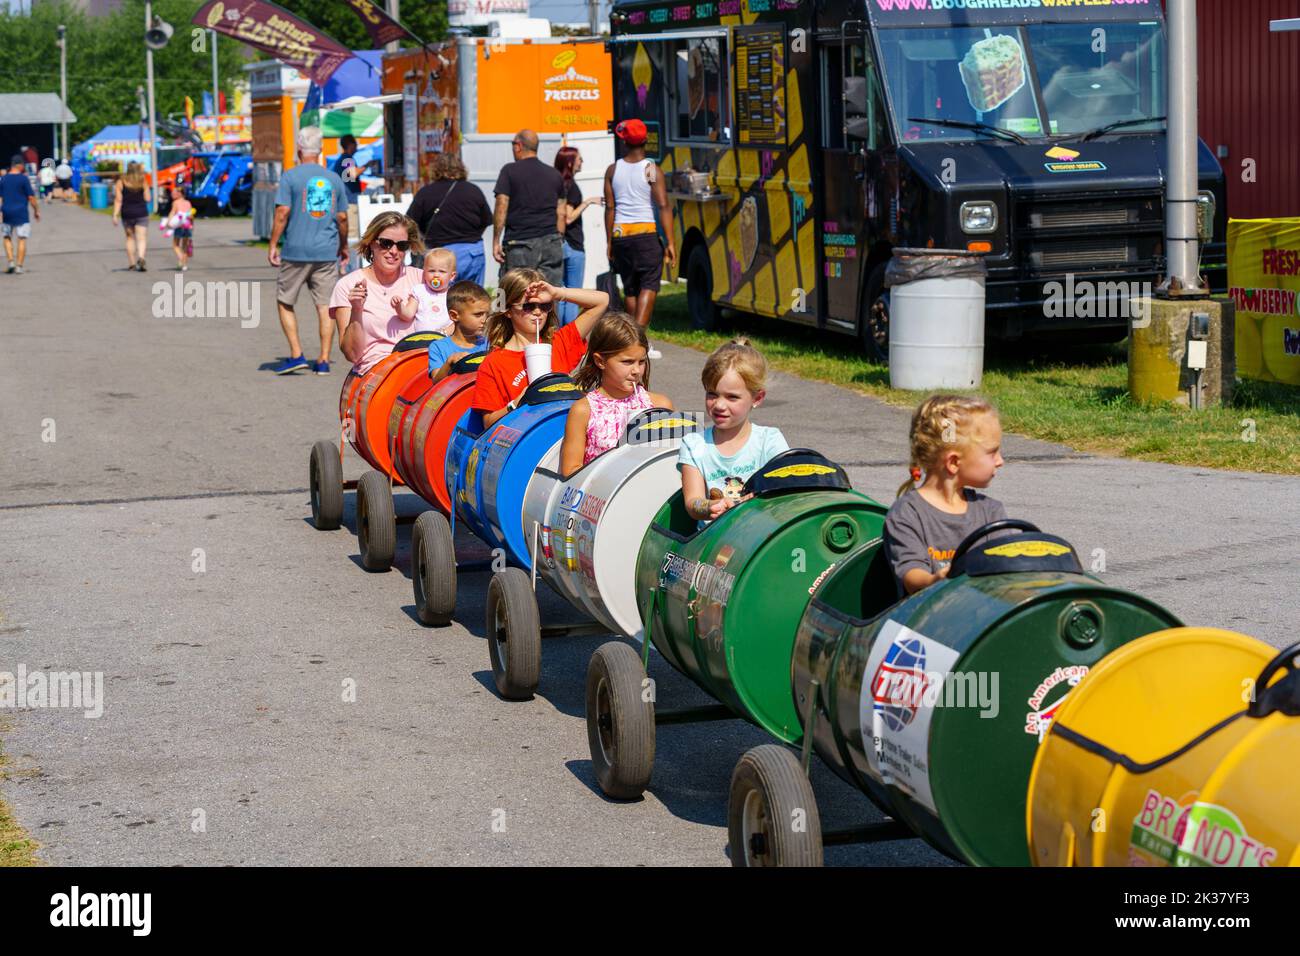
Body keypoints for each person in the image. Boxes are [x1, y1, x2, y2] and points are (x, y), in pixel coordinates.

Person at [884, 395, 1007, 597]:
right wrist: (936, 580)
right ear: (953, 463)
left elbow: (1009, 565)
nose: (1000, 461)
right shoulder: (907, 514)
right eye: (992, 452)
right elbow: (910, 575)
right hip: (927, 617)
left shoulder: (991, 511)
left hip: (982, 614)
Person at [469, 268, 609, 429]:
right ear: (508, 310)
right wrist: (515, 404)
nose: (538, 312)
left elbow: (602, 301)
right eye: (528, 306)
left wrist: (557, 293)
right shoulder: (494, 362)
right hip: (524, 438)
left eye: (545, 305)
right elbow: (488, 423)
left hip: (563, 431)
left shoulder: (558, 343)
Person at [678, 338, 788, 527]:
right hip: (712, 541)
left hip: (759, 538)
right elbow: (692, 502)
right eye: (712, 394)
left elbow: (784, 494)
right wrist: (710, 506)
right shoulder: (694, 444)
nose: (719, 405)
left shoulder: (769, 441)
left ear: (757, 398)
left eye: (732, 397)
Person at [268, 126, 350, 375]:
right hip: (326, 251)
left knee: (285, 301)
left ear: (299, 148)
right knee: (325, 306)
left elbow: (282, 213)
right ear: (321, 149)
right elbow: (343, 217)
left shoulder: (290, 177)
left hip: (295, 251)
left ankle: (296, 354)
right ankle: (323, 360)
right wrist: (343, 246)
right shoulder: (334, 179)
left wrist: (273, 244)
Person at [559, 312, 673, 477]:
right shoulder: (583, 410)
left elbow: (671, 461)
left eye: (641, 362)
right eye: (627, 362)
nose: (636, 371)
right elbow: (570, 471)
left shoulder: (660, 405)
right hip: (602, 498)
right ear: (600, 361)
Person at [604, 119, 675, 360]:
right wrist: (671, 242)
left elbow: (610, 209)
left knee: (632, 288)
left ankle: (632, 338)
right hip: (645, 234)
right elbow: (663, 205)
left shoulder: (613, 170)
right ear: (646, 141)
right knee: (649, 284)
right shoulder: (651, 169)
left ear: (624, 142)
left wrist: (610, 242)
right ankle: (635, 341)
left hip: (622, 236)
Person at [331, 211, 426, 377]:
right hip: (375, 376)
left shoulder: (421, 279)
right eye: (386, 243)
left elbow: (452, 318)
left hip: (420, 372)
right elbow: (352, 354)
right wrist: (356, 310)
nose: (394, 251)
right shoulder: (347, 286)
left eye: (402, 245)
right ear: (371, 243)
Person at [492, 129, 566, 286]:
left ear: (518, 146)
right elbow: (561, 212)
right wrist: (558, 238)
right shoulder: (554, 174)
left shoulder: (509, 171)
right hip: (551, 242)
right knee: (549, 294)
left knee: (514, 294)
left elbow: (501, 205)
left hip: (519, 243)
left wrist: (496, 240)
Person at [407, 152, 492, 286]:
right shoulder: (473, 190)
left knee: (441, 300)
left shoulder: (425, 193)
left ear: (435, 169)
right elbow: (486, 221)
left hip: (439, 256)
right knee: (473, 299)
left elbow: (410, 223)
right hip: (472, 252)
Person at [554, 146, 602, 325]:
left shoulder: (555, 184)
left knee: (561, 291)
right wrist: (588, 202)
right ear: (569, 162)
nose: (582, 162)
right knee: (573, 293)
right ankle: (570, 333)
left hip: (558, 244)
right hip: (572, 244)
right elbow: (568, 217)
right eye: (579, 159)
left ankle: (558, 332)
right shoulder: (571, 187)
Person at [427, 280, 491, 385]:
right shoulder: (438, 347)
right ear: (454, 316)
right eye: (478, 314)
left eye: (486, 314)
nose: (484, 320)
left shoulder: (489, 344)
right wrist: (449, 362)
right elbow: (436, 381)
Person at [1, 155, 39, 274]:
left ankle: (11, 262)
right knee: (21, 239)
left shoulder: (3, 179)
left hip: (6, 212)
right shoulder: (23, 179)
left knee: (7, 237)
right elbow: (31, 197)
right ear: (20, 165)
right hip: (21, 213)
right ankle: (19, 266)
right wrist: (36, 210)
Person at [112, 161, 151, 272]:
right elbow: (148, 198)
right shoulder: (142, 180)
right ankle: (141, 258)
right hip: (141, 212)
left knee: (130, 238)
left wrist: (115, 215)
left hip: (127, 213)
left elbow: (118, 200)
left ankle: (132, 264)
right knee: (141, 238)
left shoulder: (121, 182)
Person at [409, 247, 457, 334]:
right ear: (424, 272)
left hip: (444, 340)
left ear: (452, 276)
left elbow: (459, 321)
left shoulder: (454, 295)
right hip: (421, 341)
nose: (436, 275)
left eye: (442, 271)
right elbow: (408, 314)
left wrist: (446, 332)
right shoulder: (420, 290)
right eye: (431, 271)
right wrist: (399, 306)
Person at [162, 186, 195, 271]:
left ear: (180, 194)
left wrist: (168, 223)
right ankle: (183, 265)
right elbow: (191, 216)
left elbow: (172, 212)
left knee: (175, 245)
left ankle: (181, 260)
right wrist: (192, 226)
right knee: (185, 246)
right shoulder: (188, 203)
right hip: (187, 226)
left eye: (174, 193)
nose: (172, 194)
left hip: (179, 226)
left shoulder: (175, 202)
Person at [332, 134, 362, 204]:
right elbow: (353, 174)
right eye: (355, 143)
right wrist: (367, 165)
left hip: (346, 198)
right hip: (350, 199)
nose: (356, 146)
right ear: (350, 145)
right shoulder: (347, 158)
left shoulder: (342, 158)